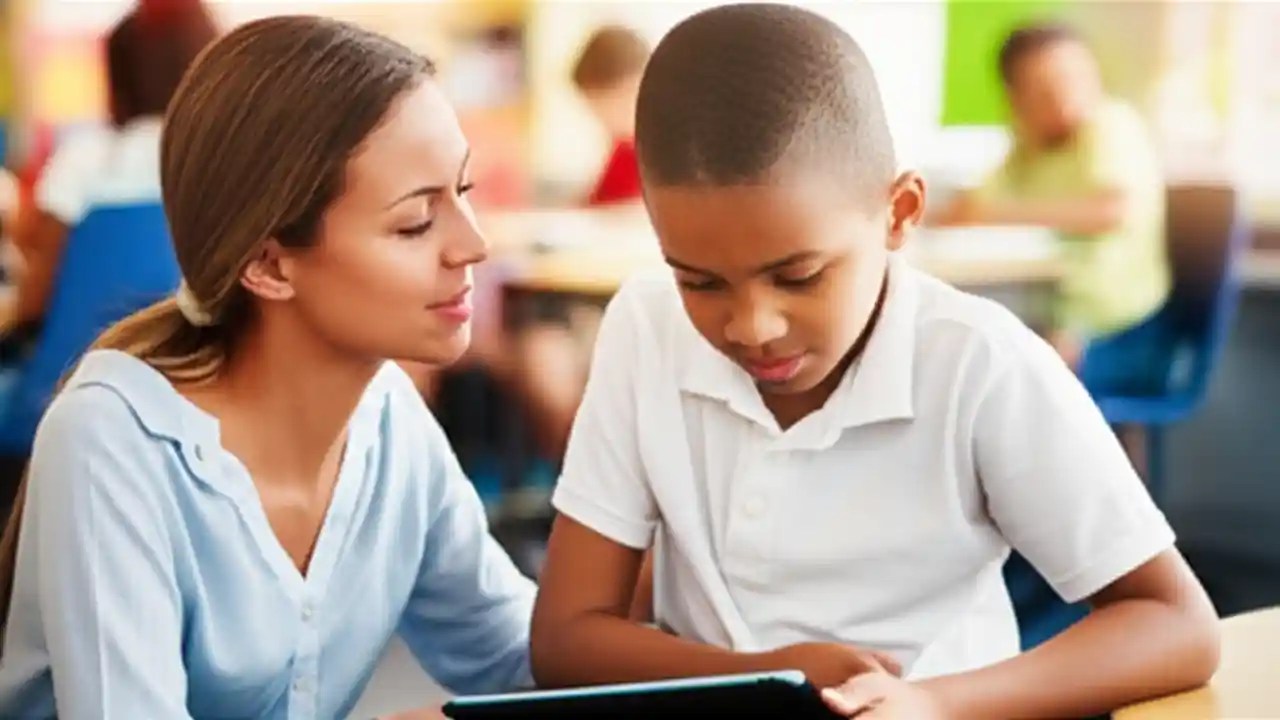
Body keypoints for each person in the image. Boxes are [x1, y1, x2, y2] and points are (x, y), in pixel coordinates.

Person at [529, 5, 1219, 719]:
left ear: (900, 212)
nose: (752, 326)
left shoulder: (979, 362)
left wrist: (932, 704)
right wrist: (772, 673)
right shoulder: (647, 324)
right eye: (699, 280)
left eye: (799, 276)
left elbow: (1176, 622)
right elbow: (563, 639)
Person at [0, 16, 536, 719]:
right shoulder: (113, 441)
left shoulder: (389, 421)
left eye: (463, 193)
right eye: (414, 223)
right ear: (267, 263)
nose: (474, 244)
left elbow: (522, 657)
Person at [934, 23, 1169, 369]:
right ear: (1016, 98)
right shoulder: (1030, 143)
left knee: (1017, 365)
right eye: (1044, 89)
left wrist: (994, 214)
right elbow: (974, 207)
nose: (1066, 97)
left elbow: (1112, 210)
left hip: (1112, 320)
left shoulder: (1110, 125)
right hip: (1044, 305)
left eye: (1077, 80)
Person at [0, 0, 217, 338]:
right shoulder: (225, 169)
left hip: (66, 376)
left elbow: (31, 302)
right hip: (189, 378)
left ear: (118, 75)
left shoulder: (82, 164)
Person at [573, 25, 648, 207]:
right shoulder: (623, 150)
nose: (604, 122)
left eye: (607, 107)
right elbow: (595, 204)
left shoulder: (664, 157)